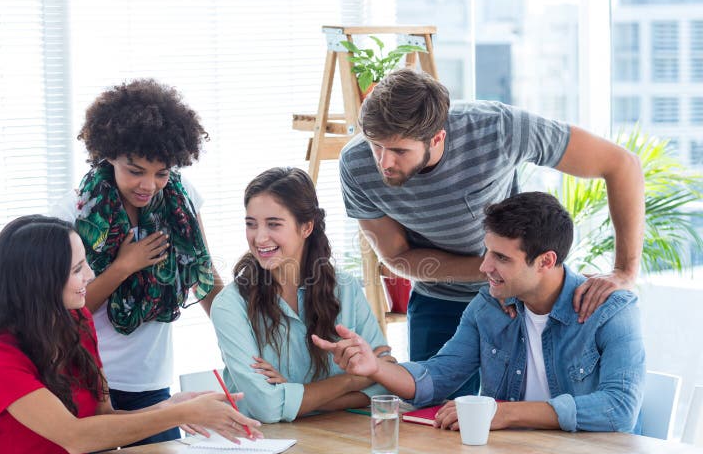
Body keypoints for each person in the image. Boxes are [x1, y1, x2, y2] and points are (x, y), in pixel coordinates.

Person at [339, 67, 645, 398]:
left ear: (437, 138)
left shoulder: (498, 129)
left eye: (399, 151)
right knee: (432, 413)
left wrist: (625, 272)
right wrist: (492, 274)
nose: (383, 162)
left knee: (540, 404)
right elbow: (398, 256)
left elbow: (621, 164)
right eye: (376, 146)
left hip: (525, 295)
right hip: (440, 299)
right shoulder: (356, 165)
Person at [0, 216, 261, 454]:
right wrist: (182, 415)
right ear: (40, 282)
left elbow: (103, 420)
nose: (89, 274)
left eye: (84, 263)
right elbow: (74, 437)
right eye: (76, 269)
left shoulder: (76, 323)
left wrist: (171, 404)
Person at [314, 192, 646, 433]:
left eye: (502, 258)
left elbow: (619, 409)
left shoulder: (612, 310)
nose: (484, 267)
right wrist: (375, 367)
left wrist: (504, 413)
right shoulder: (488, 306)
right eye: (487, 252)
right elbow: (439, 376)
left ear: (545, 261)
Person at [52, 79, 223, 454]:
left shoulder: (182, 199)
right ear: (108, 154)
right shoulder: (72, 213)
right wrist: (124, 266)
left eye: (161, 173)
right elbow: (67, 310)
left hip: (152, 383)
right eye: (135, 171)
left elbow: (204, 276)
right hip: (90, 386)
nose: (148, 185)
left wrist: (245, 339)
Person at [210, 167, 394, 423]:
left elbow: (385, 383)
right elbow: (266, 407)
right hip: (264, 448)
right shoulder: (230, 306)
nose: (259, 237)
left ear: (306, 227)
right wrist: (351, 380)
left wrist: (294, 396)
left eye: (273, 224)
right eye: (251, 224)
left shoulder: (346, 289)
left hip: (339, 441)